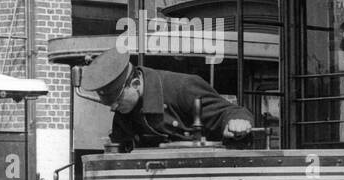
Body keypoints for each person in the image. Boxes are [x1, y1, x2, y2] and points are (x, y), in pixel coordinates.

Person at [80, 49, 253, 152]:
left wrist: (237, 122)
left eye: (117, 100)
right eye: (110, 104)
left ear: (135, 83)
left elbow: (230, 112)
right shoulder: (124, 111)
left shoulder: (183, 88)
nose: (114, 108)